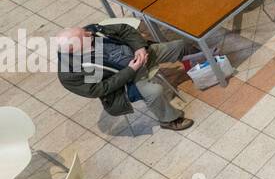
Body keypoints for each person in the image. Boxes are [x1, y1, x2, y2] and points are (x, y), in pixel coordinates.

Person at [56, 24, 194, 131]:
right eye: (85, 36)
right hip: (126, 80)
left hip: (139, 55)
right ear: (73, 49)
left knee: (179, 46)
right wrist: (130, 70)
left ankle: (210, 58)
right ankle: (169, 120)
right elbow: (99, 89)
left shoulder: (89, 31)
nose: (89, 33)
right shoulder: (71, 73)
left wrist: (139, 48)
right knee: (154, 91)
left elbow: (124, 29)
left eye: (85, 32)